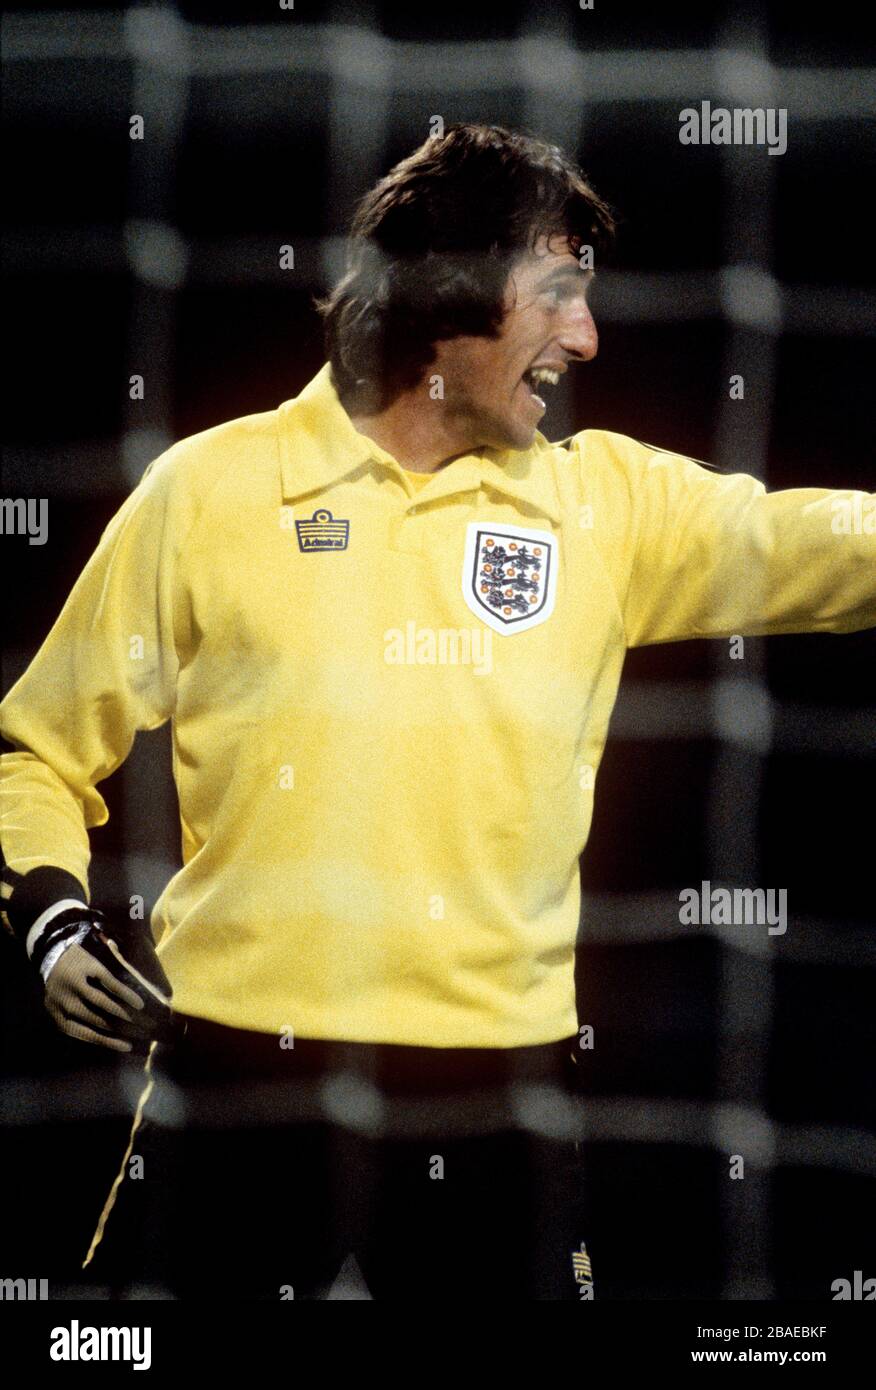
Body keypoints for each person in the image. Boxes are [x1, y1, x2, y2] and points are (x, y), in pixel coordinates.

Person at [1, 123, 873, 1301]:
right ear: (451, 290)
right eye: (558, 293)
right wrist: (53, 921)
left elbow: (823, 544)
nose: (587, 335)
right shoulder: (205, 493)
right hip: (245, 1084)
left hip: (501, 1091)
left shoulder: (601, 507)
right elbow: (37, 748)